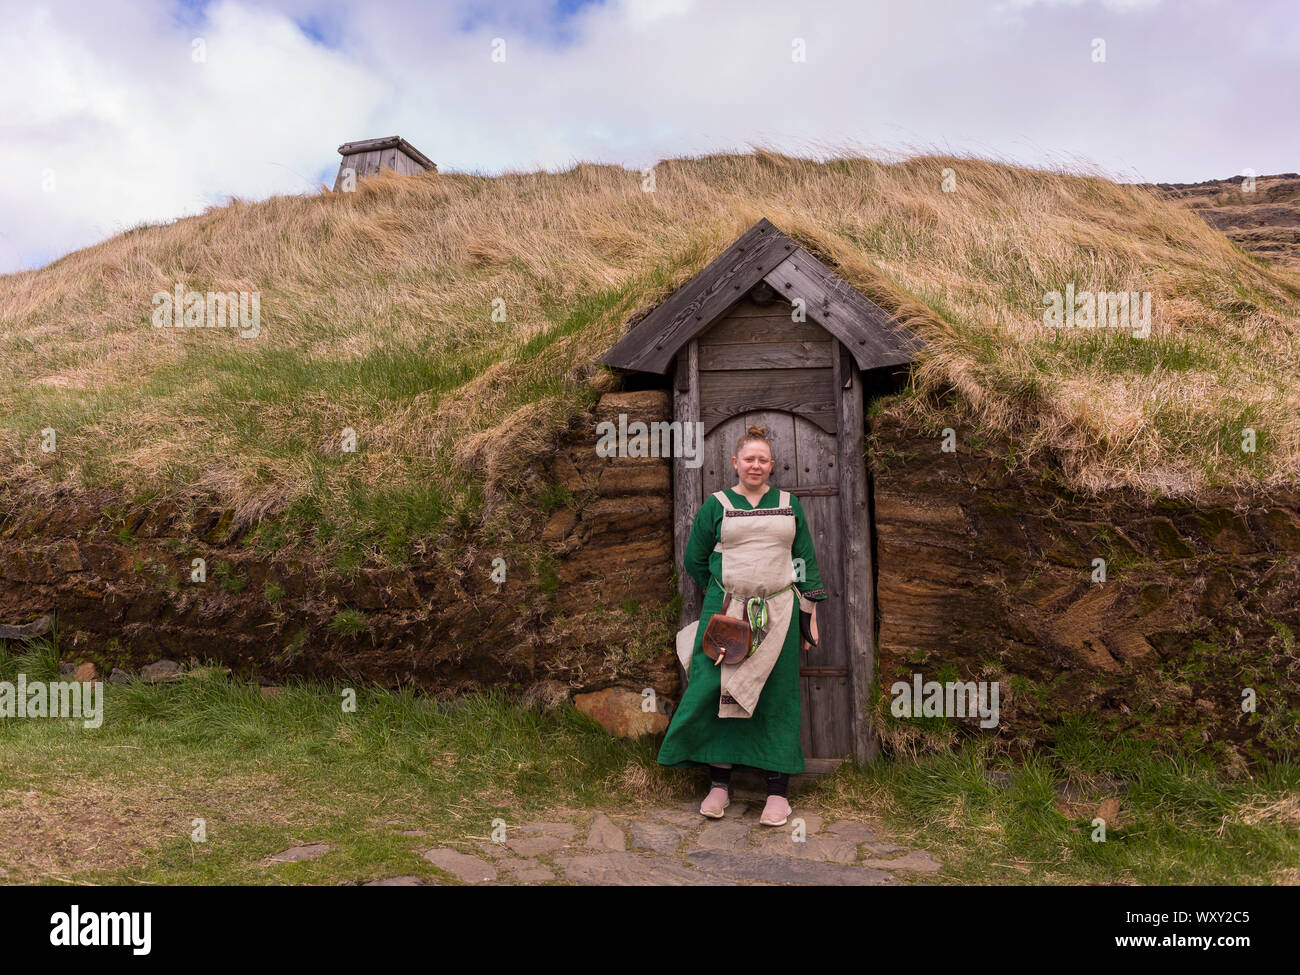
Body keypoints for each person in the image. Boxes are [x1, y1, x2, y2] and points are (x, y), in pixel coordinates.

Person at [656, 423, 827, 827]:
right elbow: (695, 560)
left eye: (762, 460)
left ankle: (777, 794)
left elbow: (804, 560)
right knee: (720, 692)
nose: (755, 465)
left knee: (776, 695)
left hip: (780, 613)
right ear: (735, 463)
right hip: (728, 614)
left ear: (772, 465)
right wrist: (723, 594)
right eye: (748, 459)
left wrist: (810, 614)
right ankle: (718, 786)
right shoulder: (716, 505)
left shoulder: (789, 503)